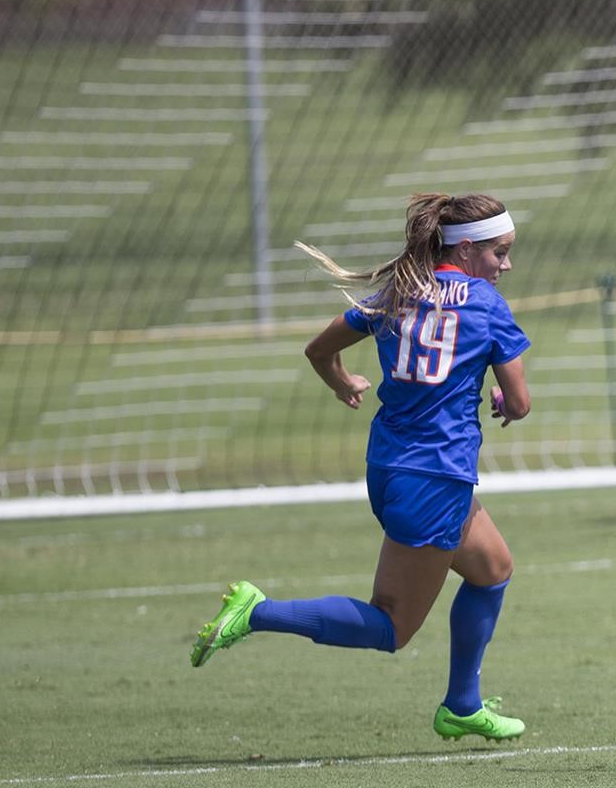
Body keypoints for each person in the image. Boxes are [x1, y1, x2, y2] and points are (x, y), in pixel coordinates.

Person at [189, 193, 534, 743]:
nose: (506, 265)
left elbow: (318, 350)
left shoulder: (399, 293)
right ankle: (258, 612)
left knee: (492, 569)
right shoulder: (486, 304)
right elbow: (519, 403)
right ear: (467, 251)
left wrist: (342, 381)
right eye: (500, 253)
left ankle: (463, 705)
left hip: (390, 466)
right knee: (392, 626)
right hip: (436, 477)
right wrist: (500, 402)